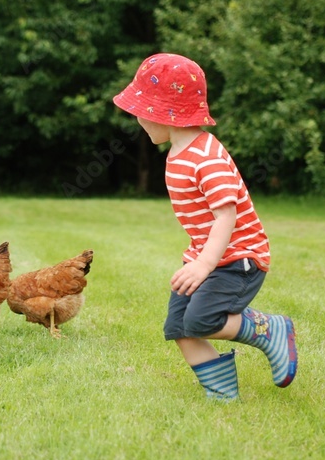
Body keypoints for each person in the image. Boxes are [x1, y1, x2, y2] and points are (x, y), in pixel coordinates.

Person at [113, 53, 297, 400]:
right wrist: (198, 260)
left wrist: (203, 264)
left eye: (140, 111)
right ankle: (223, 396)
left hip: (239, 260)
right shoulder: (178, 152)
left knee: (200, 322)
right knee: (180, 327)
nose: (137, 119)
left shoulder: (205, 157)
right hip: (207, 257)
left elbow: (227, 216)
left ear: (160, 112)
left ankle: (269, 329)